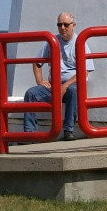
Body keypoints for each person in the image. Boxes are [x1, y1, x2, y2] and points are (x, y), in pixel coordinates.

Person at [23, 11, 92, 139]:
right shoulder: (52, 42)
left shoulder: (81, 43)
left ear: (73, 25)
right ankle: (29, 133)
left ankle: (68, 130)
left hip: (72, 85)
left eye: (66, 24)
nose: (62, 28)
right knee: (31, 93)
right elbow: (37, 62)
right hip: (53, 86)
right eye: (59, 24)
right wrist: (40, 80)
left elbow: (84, 71)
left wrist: (65, 85)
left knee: (73, 91)